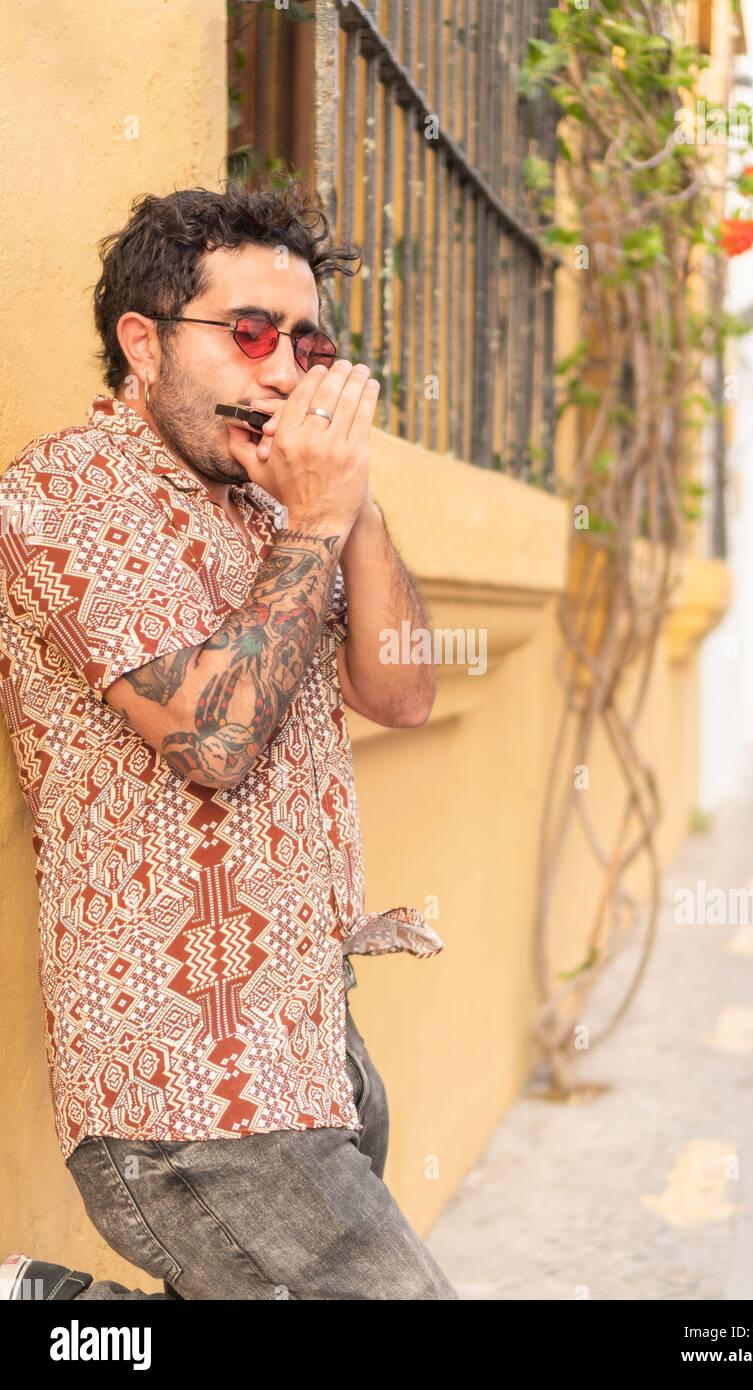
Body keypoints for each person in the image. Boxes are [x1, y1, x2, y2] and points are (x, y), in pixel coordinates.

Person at [0, 183, 456, 1300]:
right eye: (249, 333)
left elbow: (401, 693)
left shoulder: (273, 502)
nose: (285, 370)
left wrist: (345, 498)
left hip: (311, 1041)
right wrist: (312, 518)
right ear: (143, 342)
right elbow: (212, 739)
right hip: (192, 1095)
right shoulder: (57, 496)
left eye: (309, 343)